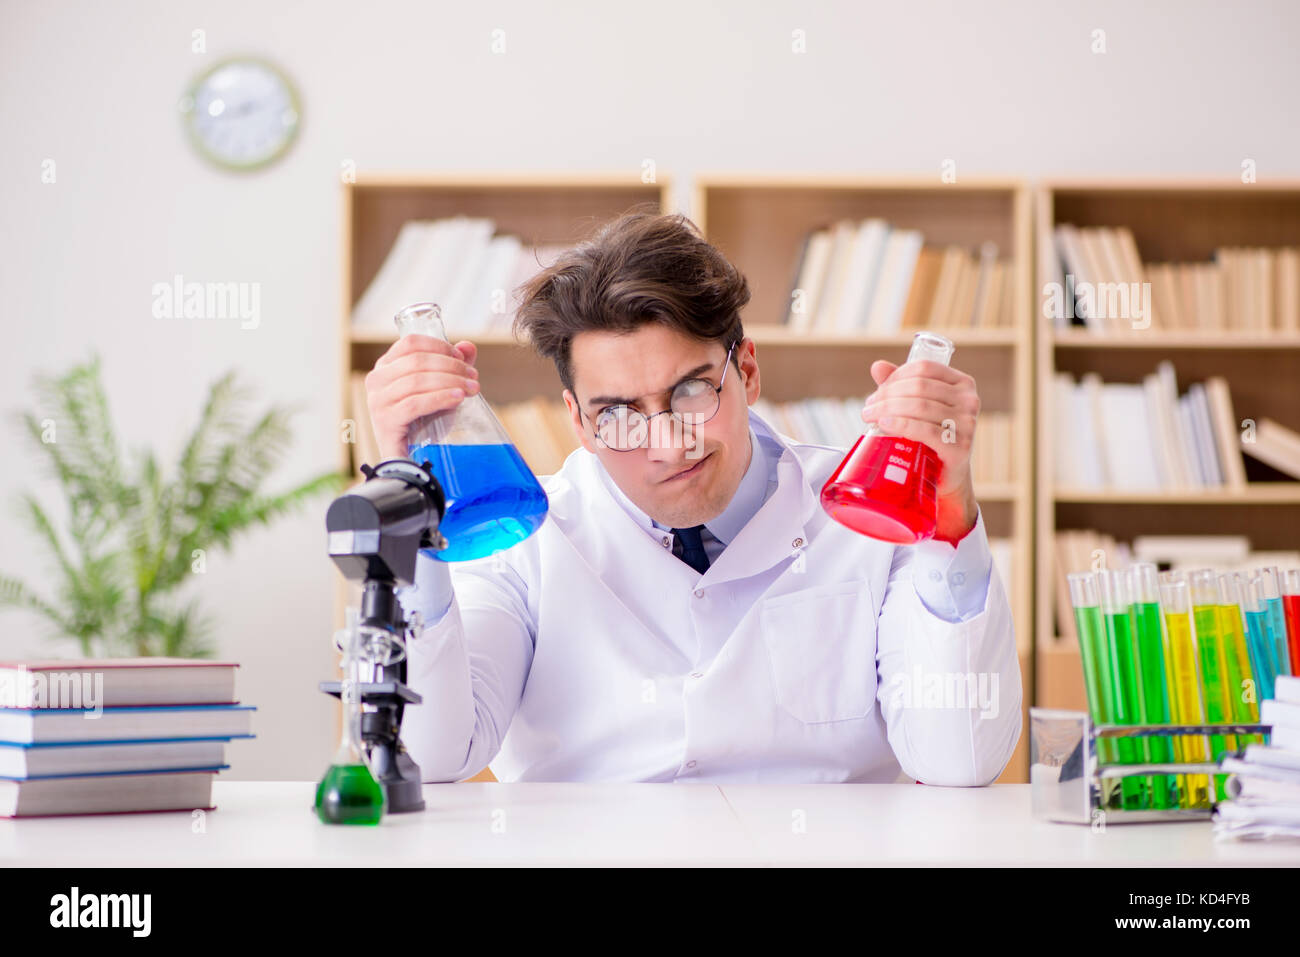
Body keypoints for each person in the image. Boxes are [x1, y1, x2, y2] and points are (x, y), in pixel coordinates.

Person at [363, 209, 1021, 785]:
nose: (670, 444)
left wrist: (948, 508)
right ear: (579, 421)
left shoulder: (865, 519)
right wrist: (406, 492)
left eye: (691, 391)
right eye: (618, 413)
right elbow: (431, 754)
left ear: (749, 371)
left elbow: (959, 758)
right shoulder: (525, 534)